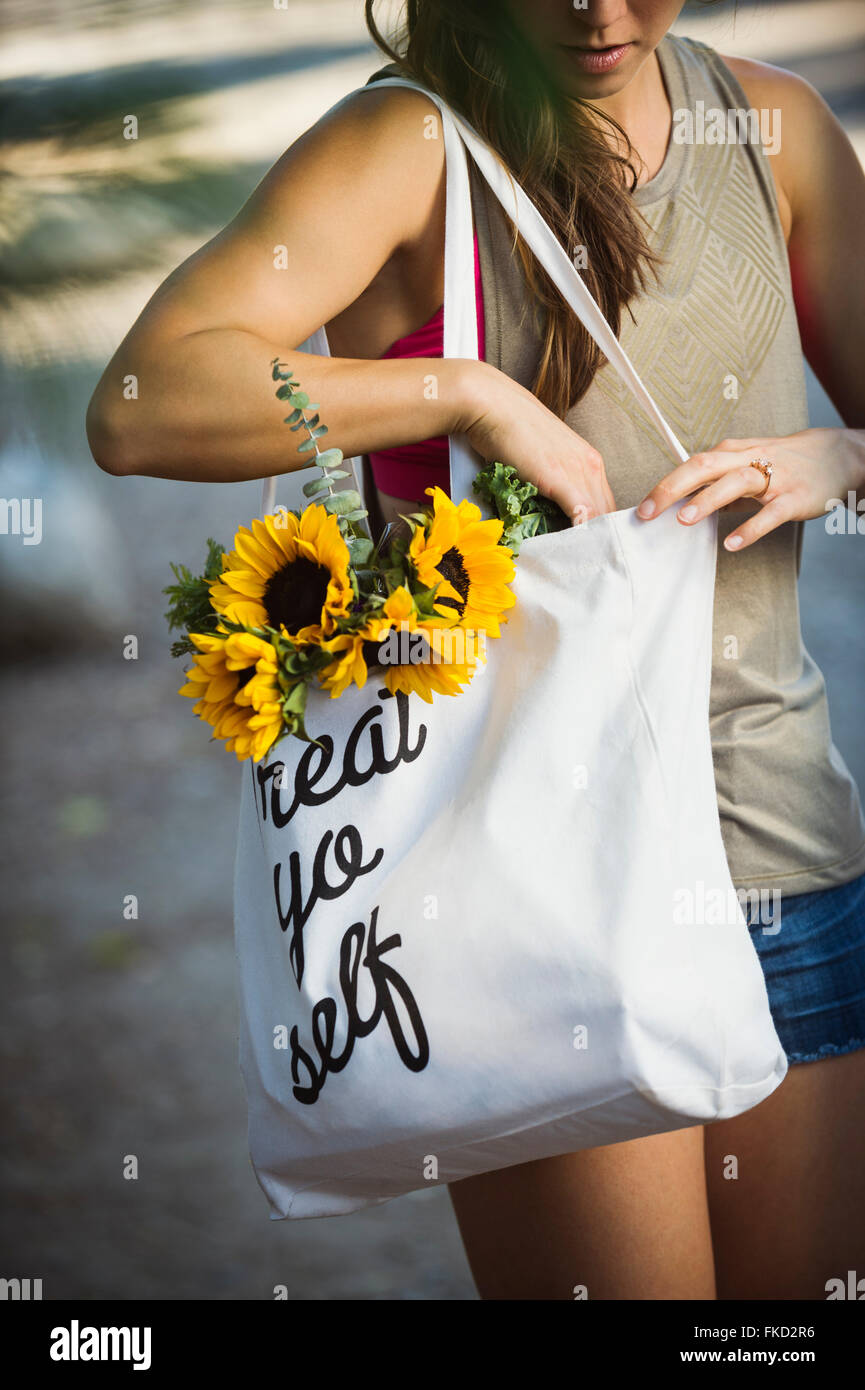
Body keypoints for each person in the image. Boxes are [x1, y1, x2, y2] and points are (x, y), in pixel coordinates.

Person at [86, 0, 865, 1300]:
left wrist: (841, 455)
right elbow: (141, 399)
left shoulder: (772, 131)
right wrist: (465, 391)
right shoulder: (405, 145)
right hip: (540, 892)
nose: (597, 11)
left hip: (788, 856)